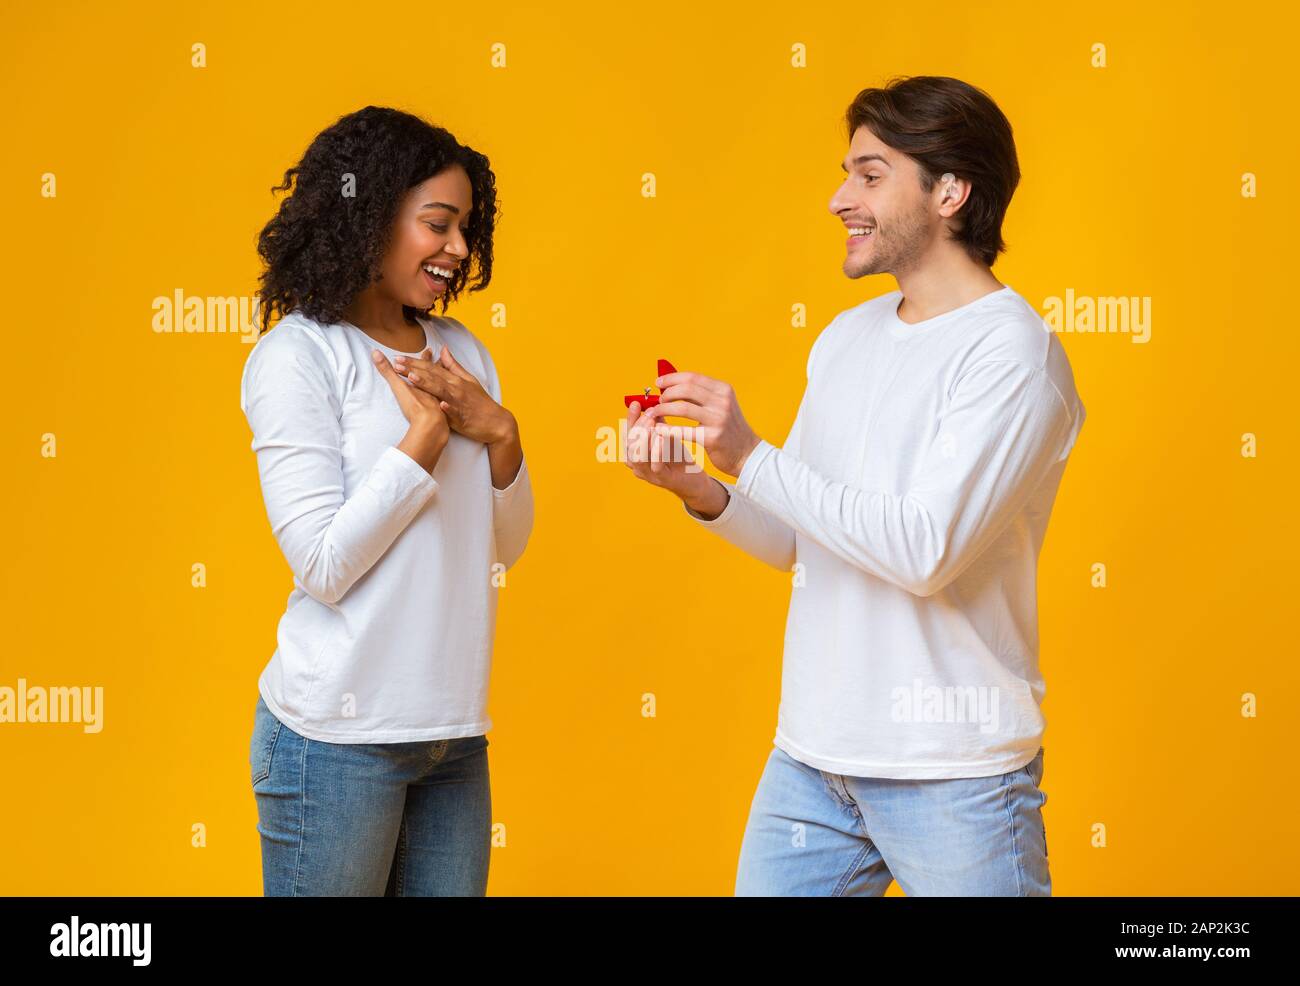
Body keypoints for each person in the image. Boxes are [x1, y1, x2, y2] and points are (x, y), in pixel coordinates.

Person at [624, 76, 1085, 896]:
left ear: (950, 191)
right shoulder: (846, 337)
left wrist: (752, 455)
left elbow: (923, 551)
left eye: (870, 176)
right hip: (812, 763)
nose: (840, 198)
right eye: (846, 174)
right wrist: (701, 488)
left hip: (953, 774)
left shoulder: (1013, 356)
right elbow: (800, 540)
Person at [241, 106, 533, 896]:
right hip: (334, 741)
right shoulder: (298, 355)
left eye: (467, 228)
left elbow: (500, 547)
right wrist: (425, 443)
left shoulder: (464, 353)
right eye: (437, 224)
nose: (459, 250)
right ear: (366, 215)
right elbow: (323, 566)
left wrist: (501, 433)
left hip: (451, 738)